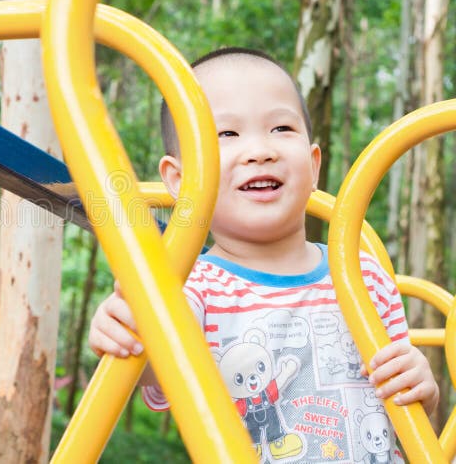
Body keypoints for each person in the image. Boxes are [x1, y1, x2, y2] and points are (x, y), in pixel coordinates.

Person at [88, 48, 438, 462]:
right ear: (180, 180)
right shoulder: (190, 288)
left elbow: (409, 416)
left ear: (313, 166)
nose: (260, 150)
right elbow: (156, 363)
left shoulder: (364, 274)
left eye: (281, 128)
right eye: (226, 135)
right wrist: (127, 331)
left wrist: (422, 389)